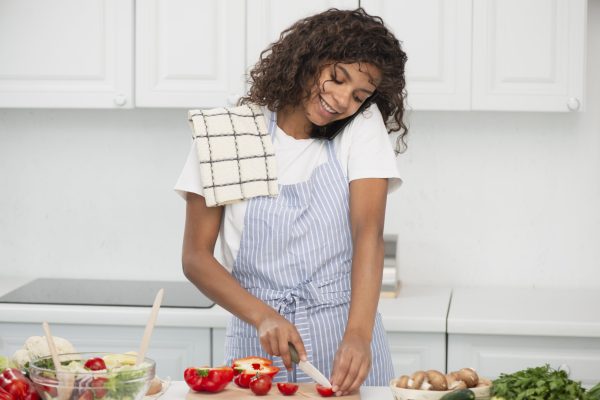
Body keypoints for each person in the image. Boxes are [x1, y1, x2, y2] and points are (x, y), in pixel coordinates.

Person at [175, 8, 407, 395]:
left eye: (359, 95)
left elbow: (369, 232)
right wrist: (264, 316)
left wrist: (358, 335)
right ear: (307, 59)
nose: (341, 100)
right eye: (336, 78)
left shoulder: (362, 128)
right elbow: (195, 257)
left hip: (345, 341)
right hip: (257, 344)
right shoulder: (233, 128)